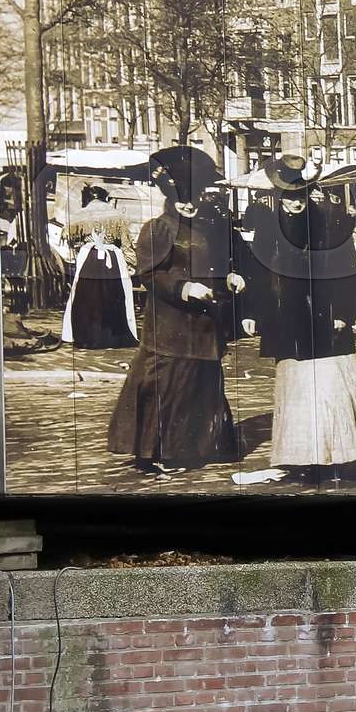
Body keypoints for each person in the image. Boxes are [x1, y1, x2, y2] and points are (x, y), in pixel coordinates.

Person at [107, 146, 252, 477]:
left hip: (204, 325)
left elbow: (214, 267)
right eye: (182, 198)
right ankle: (161, 451)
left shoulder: (207, 229)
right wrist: (184, 288)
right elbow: (149, 273)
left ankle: (200, 446)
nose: (189, 204)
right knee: (170, 387)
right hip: (171, 325)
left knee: (200, 385)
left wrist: (229, 277)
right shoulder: (158, 229)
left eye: (193, 197)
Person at [259, 155, 356, 480]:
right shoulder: (267, 227)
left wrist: (343, 312)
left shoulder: (329, 222)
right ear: (278, 196)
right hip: (288, 322)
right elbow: (259, 274)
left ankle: (342, 457)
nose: (295, 202)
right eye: (288, 196)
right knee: (296, 390)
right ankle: (302, 461)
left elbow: (347, 271)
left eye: (300, 195)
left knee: (331, 388)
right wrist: (254, 313)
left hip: (326, 317)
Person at [60, 184, 138, 349]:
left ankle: (87, 336)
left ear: (89, 198)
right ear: (105, 198)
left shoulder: (80, 215)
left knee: (86, 296)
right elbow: (126, 243)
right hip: (112, 259)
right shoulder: (118, 215)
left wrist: (83, 244)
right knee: (114, 295)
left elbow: (70, 239)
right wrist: (131, 263)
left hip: (89, 257)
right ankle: (112, 337)